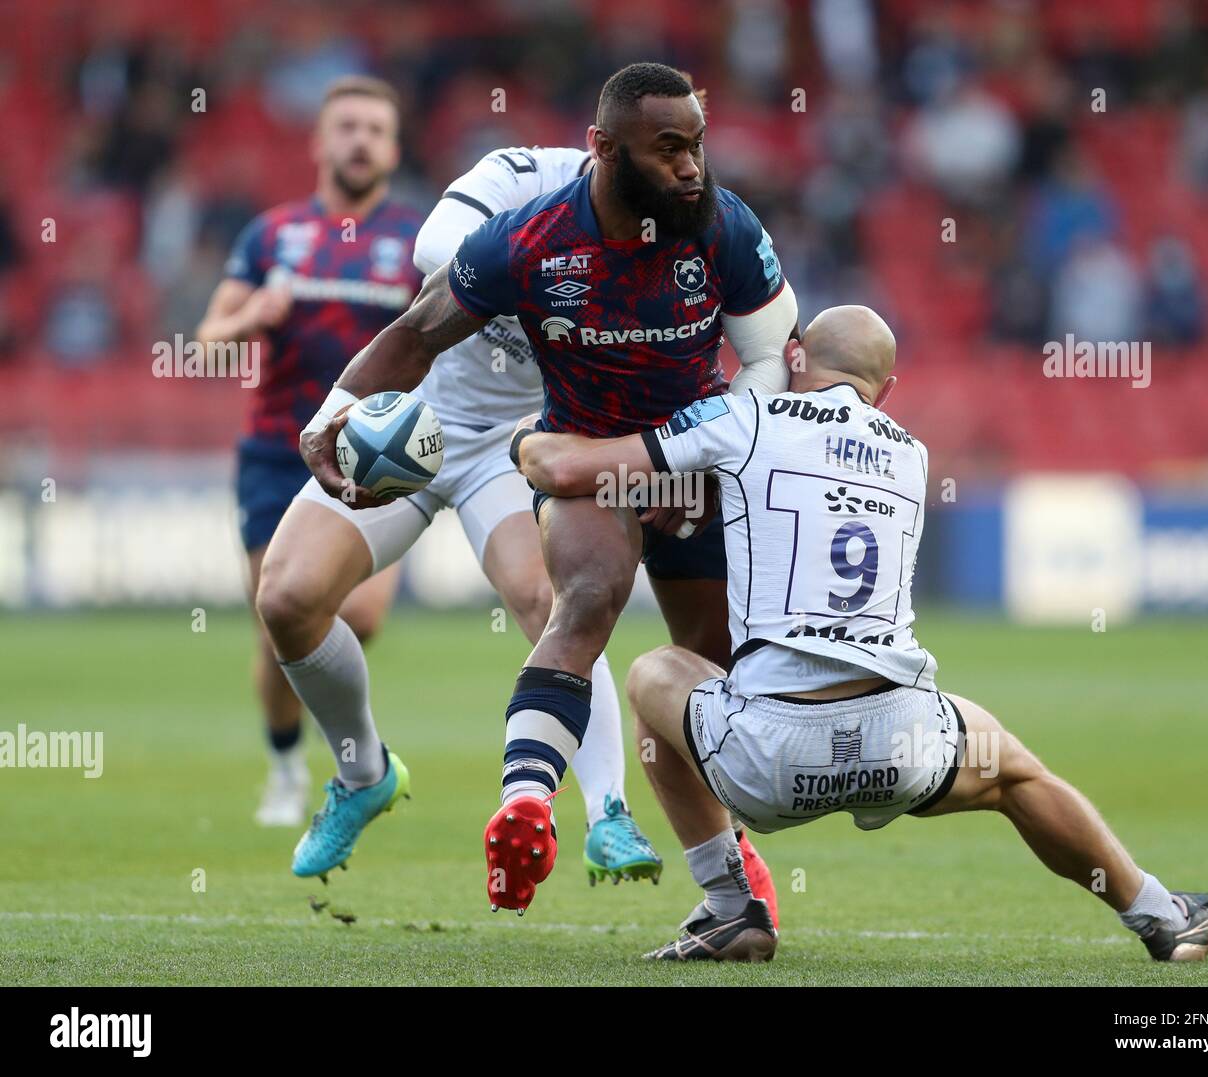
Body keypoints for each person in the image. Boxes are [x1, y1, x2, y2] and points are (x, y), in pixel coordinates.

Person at [514, 305, 1208, 963]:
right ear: (886, 392)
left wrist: (521, 441)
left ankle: (733, 906)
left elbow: (572, 467)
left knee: (652, 674)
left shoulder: (750, 418)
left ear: (793, 357)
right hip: (900, 740)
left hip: (767, 753)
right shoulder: (912, 452)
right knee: (1017, 770)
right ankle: (1157, 911)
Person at [296, 62, 798, 915]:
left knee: (703, 679)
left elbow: (768, 357)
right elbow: (416, 333)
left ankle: (727, 861)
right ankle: (529, 800)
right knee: (582, 603)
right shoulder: (529, 239)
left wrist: (697, 454)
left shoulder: (721, 224)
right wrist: (333, 411)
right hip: (584, 457)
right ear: (604, 150)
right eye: (668, 148)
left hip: (700, 463)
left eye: (697, 146)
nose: (690, 167)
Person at [257, 143, 665, 888]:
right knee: (286, 597)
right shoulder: (521, 173)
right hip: (410, 421)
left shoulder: (658, 232)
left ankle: (610, 810)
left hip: (520, 445)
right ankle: (363, 773)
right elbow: (433, 248)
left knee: (555, 601)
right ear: (595, 150)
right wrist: (553, 272)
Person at [194, 76, 424, 826]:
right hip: (276, 451)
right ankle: (288, 765)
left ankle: (349, 758)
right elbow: (205, 344)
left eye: (375, 129)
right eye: (347, 126)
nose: (360, 139)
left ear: (392, 148)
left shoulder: (418, 243)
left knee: (359, 615)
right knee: (279, 622)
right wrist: (253, 314)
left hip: (375, 457)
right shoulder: (272, 236)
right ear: (320, 142)